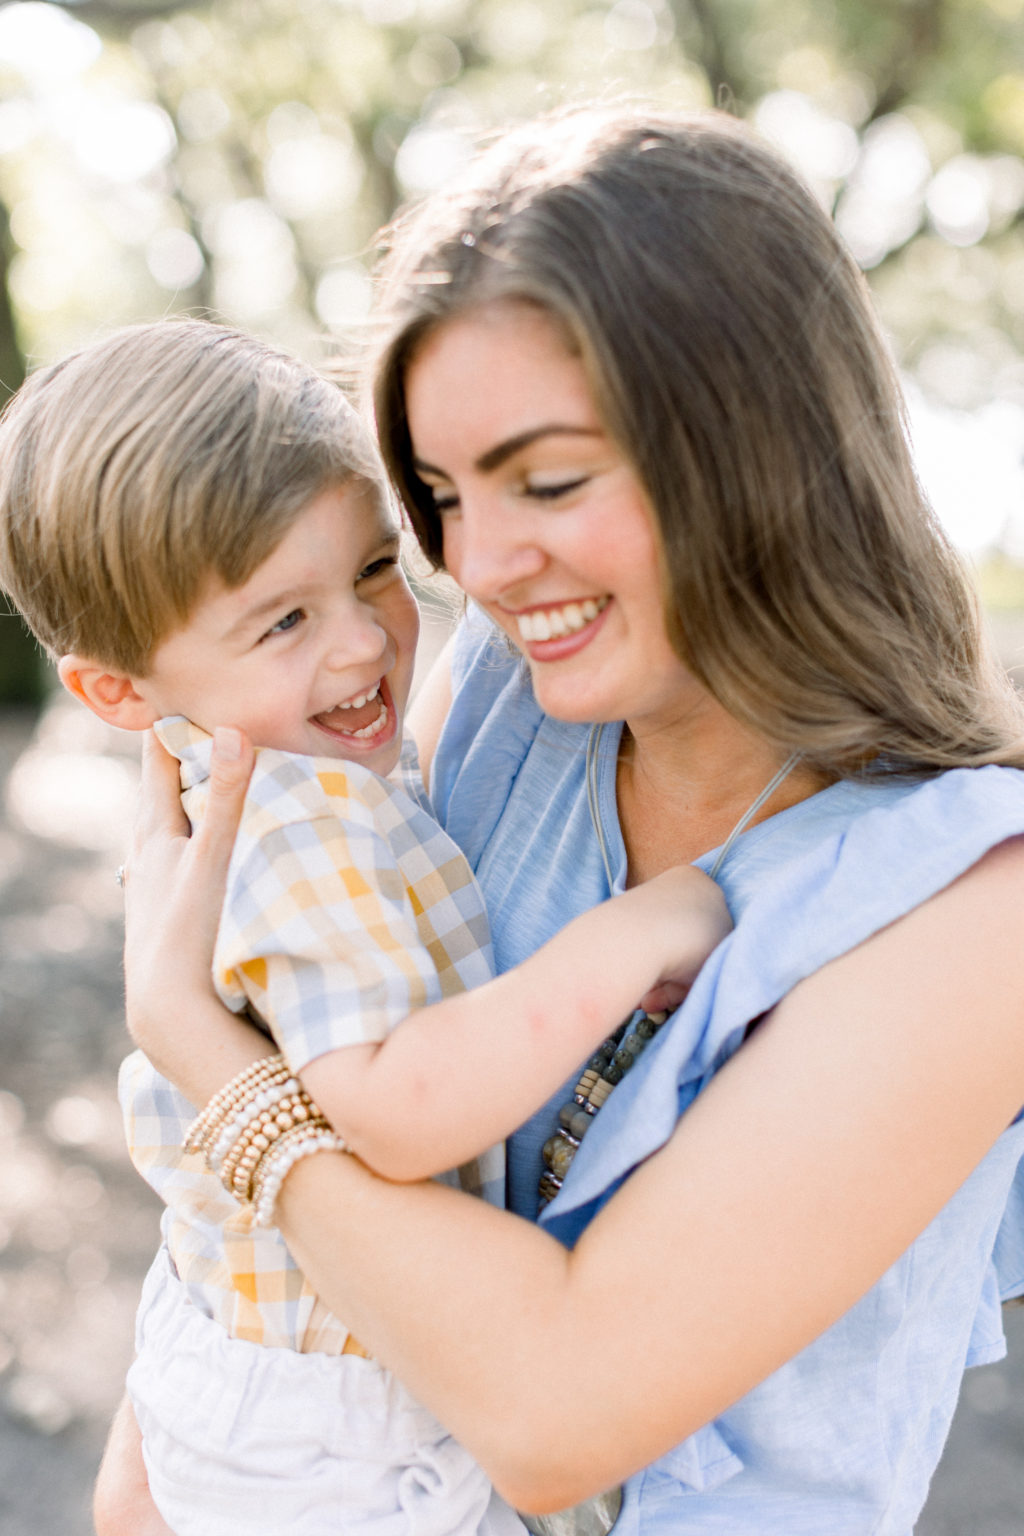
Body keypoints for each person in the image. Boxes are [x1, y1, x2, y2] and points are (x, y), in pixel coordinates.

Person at [96, 104, 1024, 1536]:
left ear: (754, 445)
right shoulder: (509, 707)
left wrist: (207, 1065)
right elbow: (316, 1058)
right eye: (445, 495)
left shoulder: (968, 907)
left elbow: (552, 1418)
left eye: (547, 482)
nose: (480, 561)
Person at [0, 318, 730, 1536]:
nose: (360, 643)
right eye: (281, 621)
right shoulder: (296, 817)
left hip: (255, 1366)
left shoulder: (252, 777)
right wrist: (635, 936)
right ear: (118, 690)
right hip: (333, 1429)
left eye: (375, 571)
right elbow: (396, 1109)